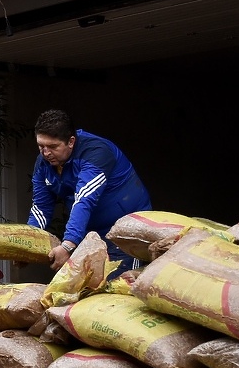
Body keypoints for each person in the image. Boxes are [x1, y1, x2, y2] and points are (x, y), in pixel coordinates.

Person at [27, 109, 151, 277]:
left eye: (53, 147)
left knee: (117, 285)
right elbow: (41, 207)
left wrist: (68, 245)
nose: (46, 153)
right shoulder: (44, 163)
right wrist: (27, 244)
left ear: (71, 142)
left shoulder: (96, 153)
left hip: (126, 234)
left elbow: (84, 199)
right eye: (41, 146)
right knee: (83, 288)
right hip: (90, 233)